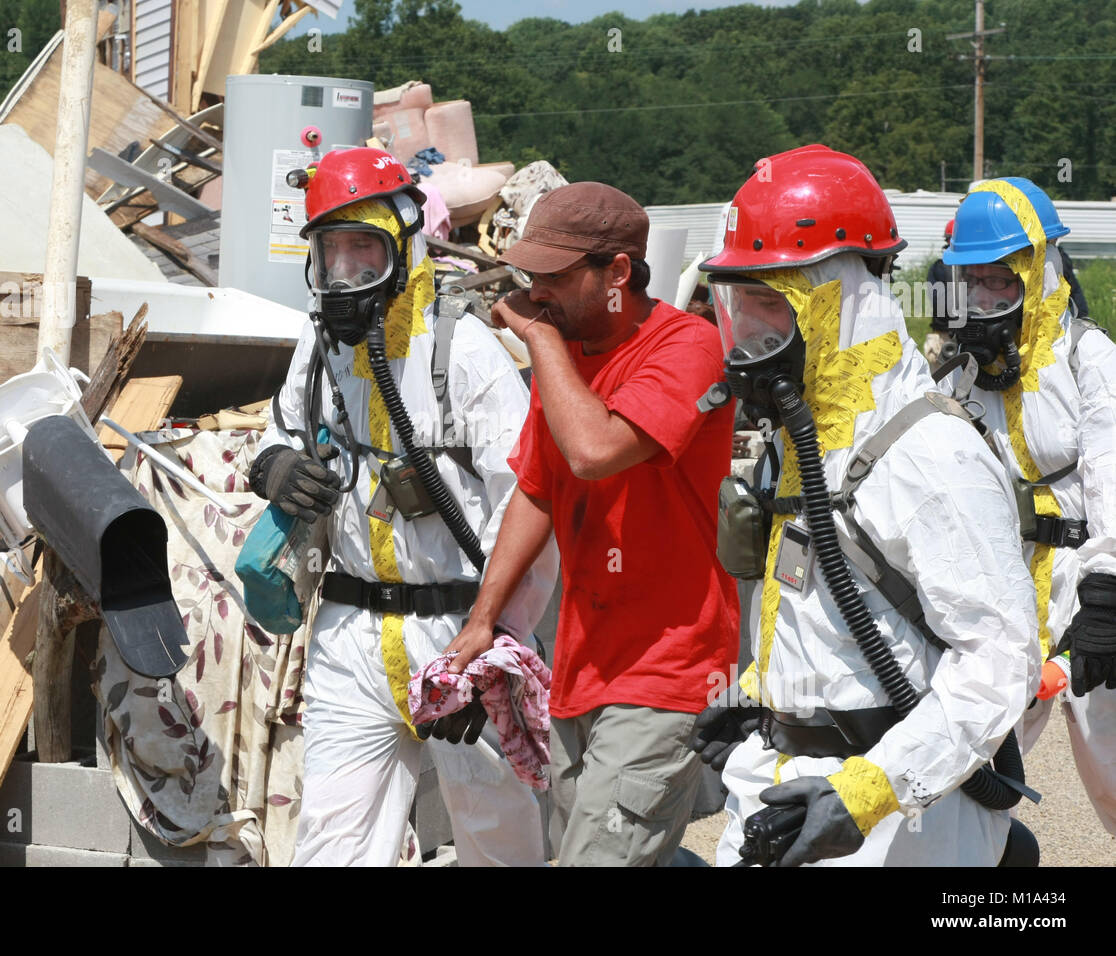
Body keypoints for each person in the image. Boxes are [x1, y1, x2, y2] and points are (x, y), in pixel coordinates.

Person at [689, 144, 1040, 867]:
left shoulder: (931, 451)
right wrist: (761, 697)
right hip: (785, 786)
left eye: (766, 304)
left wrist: (873, 790)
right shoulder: (801, 440)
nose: (747, 333)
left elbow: (1000, 661)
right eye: (738, 305)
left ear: (832, 301)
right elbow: (810, 603)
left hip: (900, 812)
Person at [250, 147, 558, 866]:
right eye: (334, 251)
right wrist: (276, 467)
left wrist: (501, 647)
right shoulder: (320, 343)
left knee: (494, 834)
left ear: (405, 244)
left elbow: (532, 506)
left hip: (462, 637)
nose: (349, 270)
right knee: (332, 842)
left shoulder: (466, 351)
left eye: (367, 248)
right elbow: (277, 432)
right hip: (349, 632)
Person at [448, 181, 739, 866]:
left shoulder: (690, 347)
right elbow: (538, 490)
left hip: (668, 666)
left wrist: (540, 338)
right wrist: (483, 620)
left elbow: (594, 452)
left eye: (554, 276)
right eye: (529, 275)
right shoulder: (570, 356)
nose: (535, 291)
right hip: (584, 666)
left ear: (616, 273)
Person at [941, 177, 1116, 834]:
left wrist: (1107, 597)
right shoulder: (967, 375)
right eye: (974, 283)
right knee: (968, 776)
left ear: (1036, 273)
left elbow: (1112, 473)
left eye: (1001, 282)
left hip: (1092, 597)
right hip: (1007, 600)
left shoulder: (1089, 359)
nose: (985, 299)